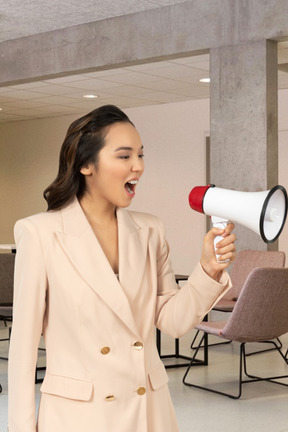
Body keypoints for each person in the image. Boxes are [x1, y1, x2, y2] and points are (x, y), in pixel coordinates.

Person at [8, 105, 236, 432]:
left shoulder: (150, 230)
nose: (139, 167)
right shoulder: (39, 233)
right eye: (125, 156)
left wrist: (208, 269)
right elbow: (23, 350)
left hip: (148, 412)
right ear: (86, 164)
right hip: (78, 417)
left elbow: (172, 321)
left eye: (141, 155)